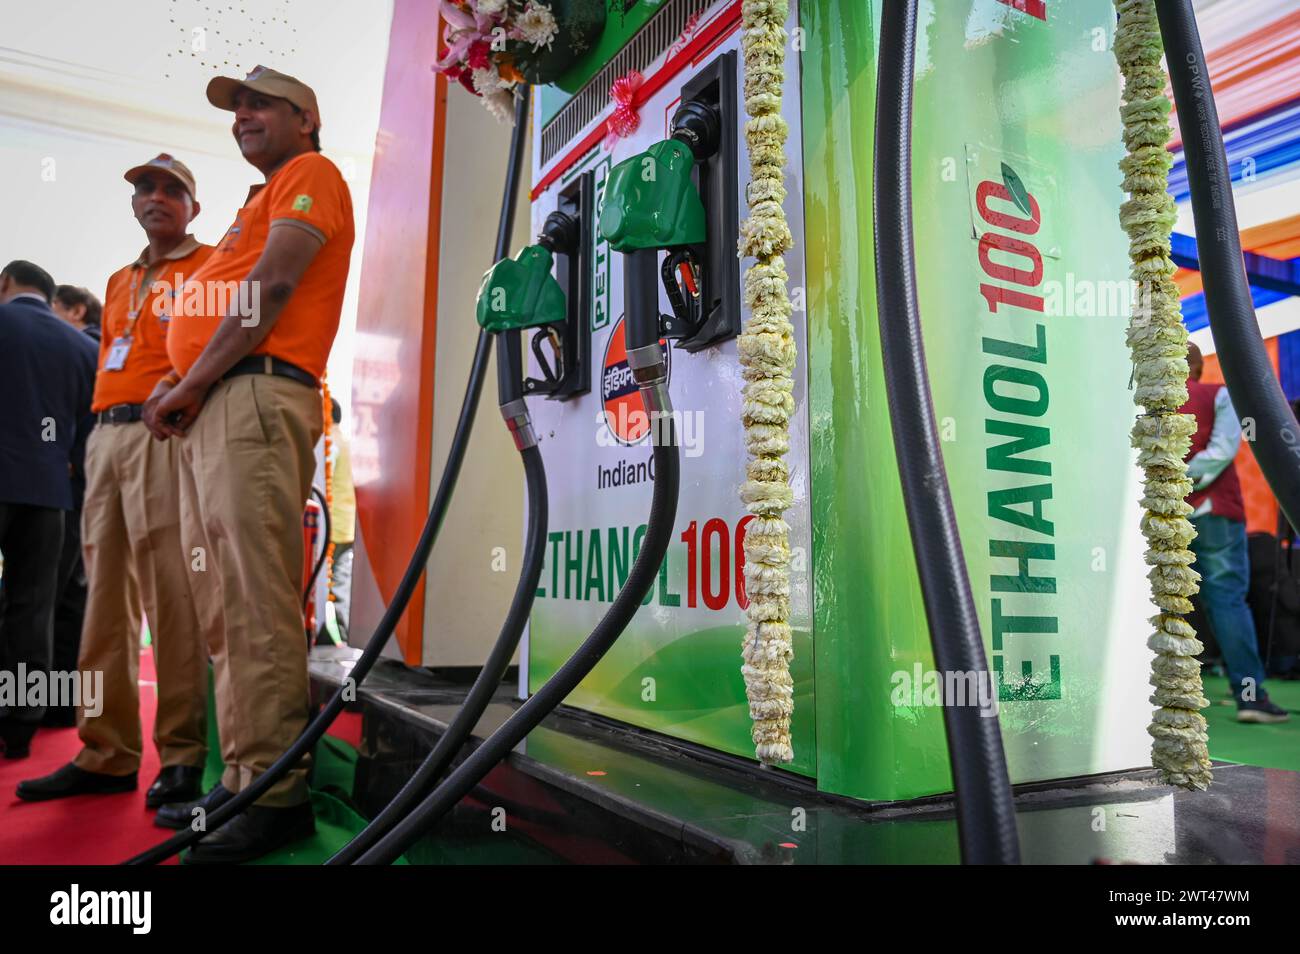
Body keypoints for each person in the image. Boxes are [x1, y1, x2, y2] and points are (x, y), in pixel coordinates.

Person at [144, 66, 354, 863]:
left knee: (254, 601)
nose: (242, 116)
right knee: (224, 605)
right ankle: (243, 774)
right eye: (237, 108)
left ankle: (276, 794)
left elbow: (272, 287)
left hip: (254, 398)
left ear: (306, 117)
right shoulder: (257, 202)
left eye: (259, 104)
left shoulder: (311, 173)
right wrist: (182, 379)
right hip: (219, 403)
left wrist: (191, 380)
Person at [19, 155, 216, 804]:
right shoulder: (118, 280)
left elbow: (217, 347)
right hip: (104, 439)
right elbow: (110, 361)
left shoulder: (210, 265)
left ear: (193, 207)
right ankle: (106, 753)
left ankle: (181, 757)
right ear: (133, 204)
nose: (155, 197)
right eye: (144, 188)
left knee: (171, 597)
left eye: (171, 190)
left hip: (164, 435)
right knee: (101, 602)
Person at [0, 261, 97, 757]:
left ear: (5, 284)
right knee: (34, 608)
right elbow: (91, 429)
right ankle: (20, 725)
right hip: (50, 495)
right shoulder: (82, 347)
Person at [1181, 342, 1289, 723]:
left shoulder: (1149, 407)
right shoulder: (1218, 395)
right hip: (1214, 512)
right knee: (1227, 601)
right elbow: (1223, 450)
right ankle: (1250, 696)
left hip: (1166, 516)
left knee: (1164, 605)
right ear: (1198, 367)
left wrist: (1169, 482)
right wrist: (1188, 476)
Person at [46, 285, 104, 725]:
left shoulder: (81, 350)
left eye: (54, 309)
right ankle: (65, 705)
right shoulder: (96, 349)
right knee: (74, 595)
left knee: (57, 596)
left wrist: (67, 457)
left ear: (76, 310)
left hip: (73, 490)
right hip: (87, 488)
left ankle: (53, 704)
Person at [326, 398, 355, 641]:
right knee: (341, 584)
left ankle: (326, 637)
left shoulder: (330, 443)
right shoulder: (348, 443)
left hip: (331, 524)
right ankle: (344, 638)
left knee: (325, 583)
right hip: (347, 524)